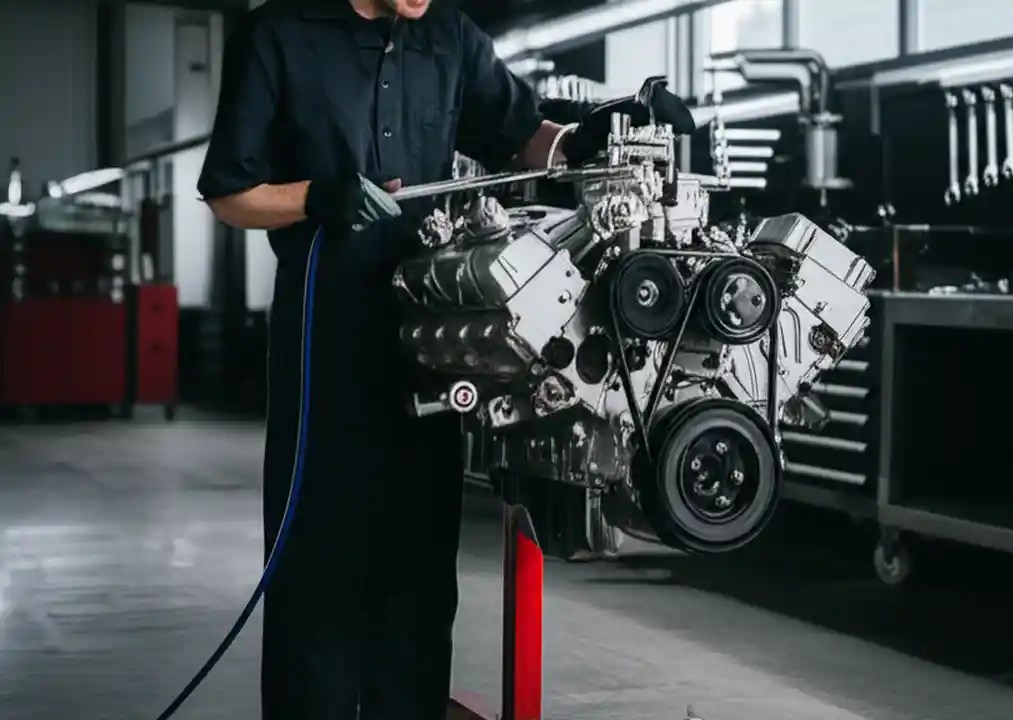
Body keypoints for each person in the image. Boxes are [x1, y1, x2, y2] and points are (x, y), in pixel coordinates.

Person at [197, 1, 691, 718]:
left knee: (419, 576)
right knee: (319, 577)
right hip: (325, 345)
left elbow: (524, 135)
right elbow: (230, 193)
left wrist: (592, 137)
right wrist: (315, 196)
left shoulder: (449, 37)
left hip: (433, 345)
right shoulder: (278, 35)